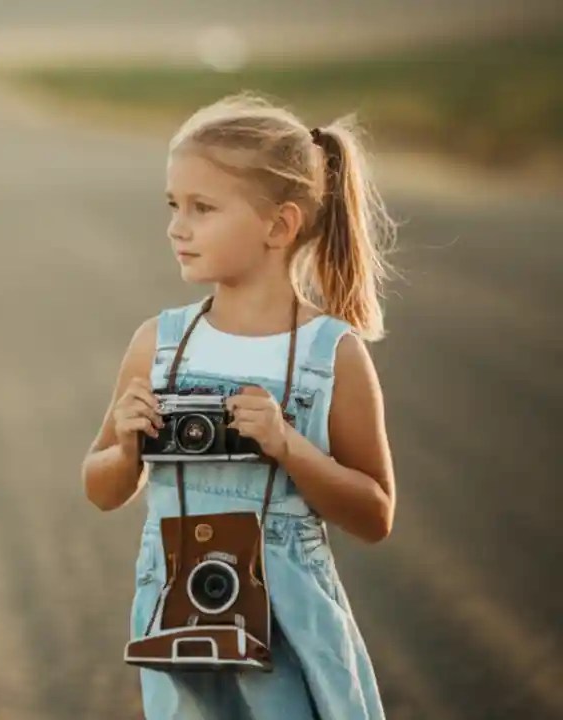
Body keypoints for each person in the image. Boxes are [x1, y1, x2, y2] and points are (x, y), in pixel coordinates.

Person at [81, 91, 399, 719]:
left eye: (202, 208)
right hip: (180, 625)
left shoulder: (330, 353)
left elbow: (374, 514)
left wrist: (289, 446)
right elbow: (100, 487)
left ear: (278, 226)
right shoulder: (159, 344)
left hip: (292, 630)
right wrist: (126, 445)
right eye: (174, 206)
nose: (177, 226)